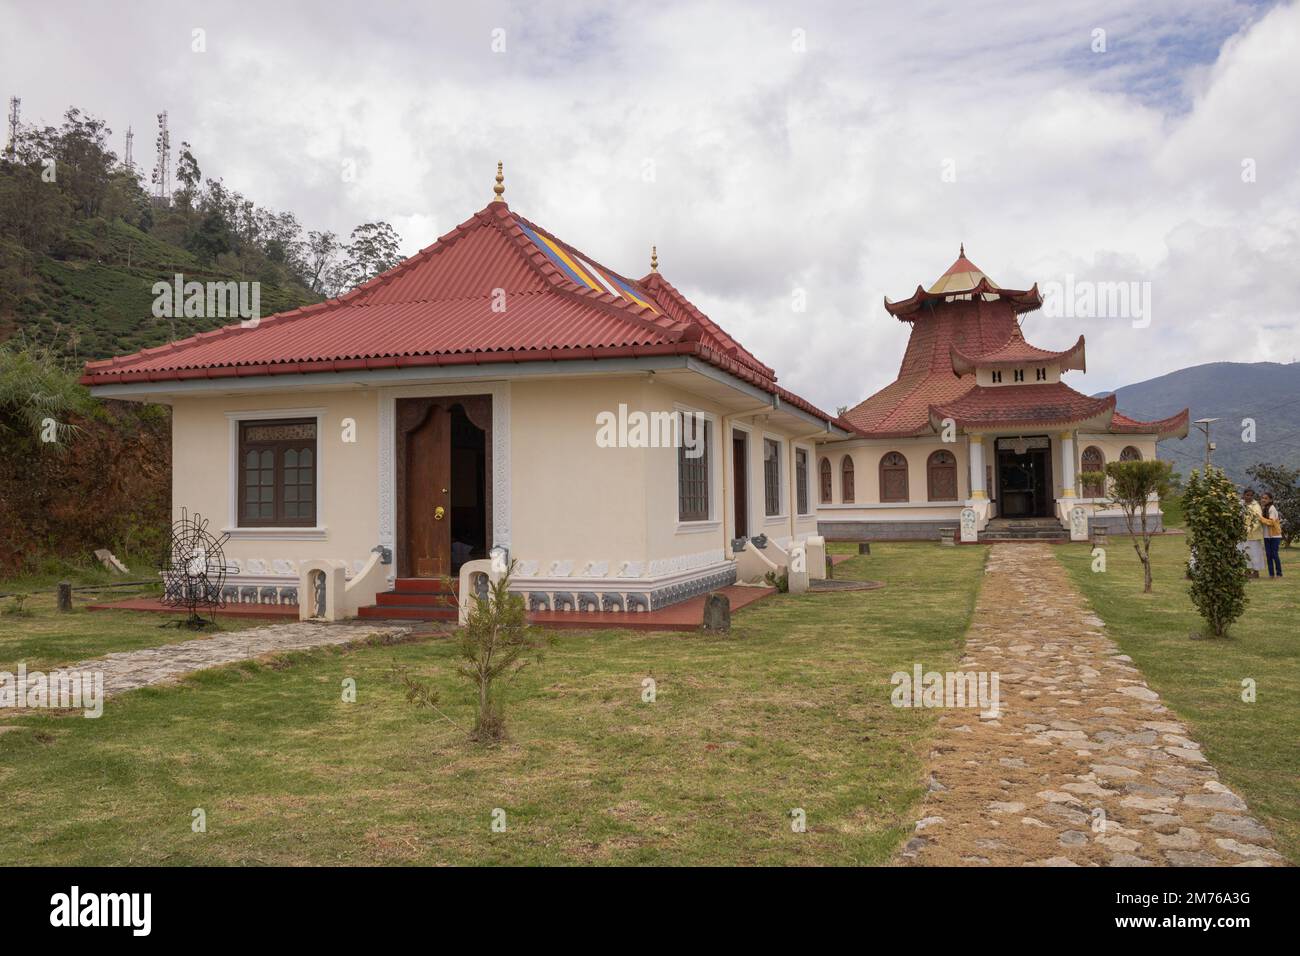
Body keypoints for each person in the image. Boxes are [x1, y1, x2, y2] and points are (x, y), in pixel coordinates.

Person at [1241, 488, 1265, 579]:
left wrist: (1249, 529)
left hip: (1254, 535)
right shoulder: (1240, 504)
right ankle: (1247, 571)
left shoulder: (1256, 506)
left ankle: (1256, 572)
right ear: (1243, 495)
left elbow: (1258, 520)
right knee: (1245, 553)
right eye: (1247, 495)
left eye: (1251, 495)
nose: (1249, 497)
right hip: (1243, 535)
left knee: (1255, 554)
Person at [1260, 491, 1284, 578]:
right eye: (1262, 498)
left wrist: (1260, 518)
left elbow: (1270, 522)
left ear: (1270, 500)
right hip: (1267, 536)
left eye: (1266, 498)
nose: (1263, 500)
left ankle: (1279, 573)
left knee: (1274, 554)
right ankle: (1271, 574)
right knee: (1268, 555)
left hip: (1274, 536)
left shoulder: (1272, 509)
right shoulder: (1264, 509)